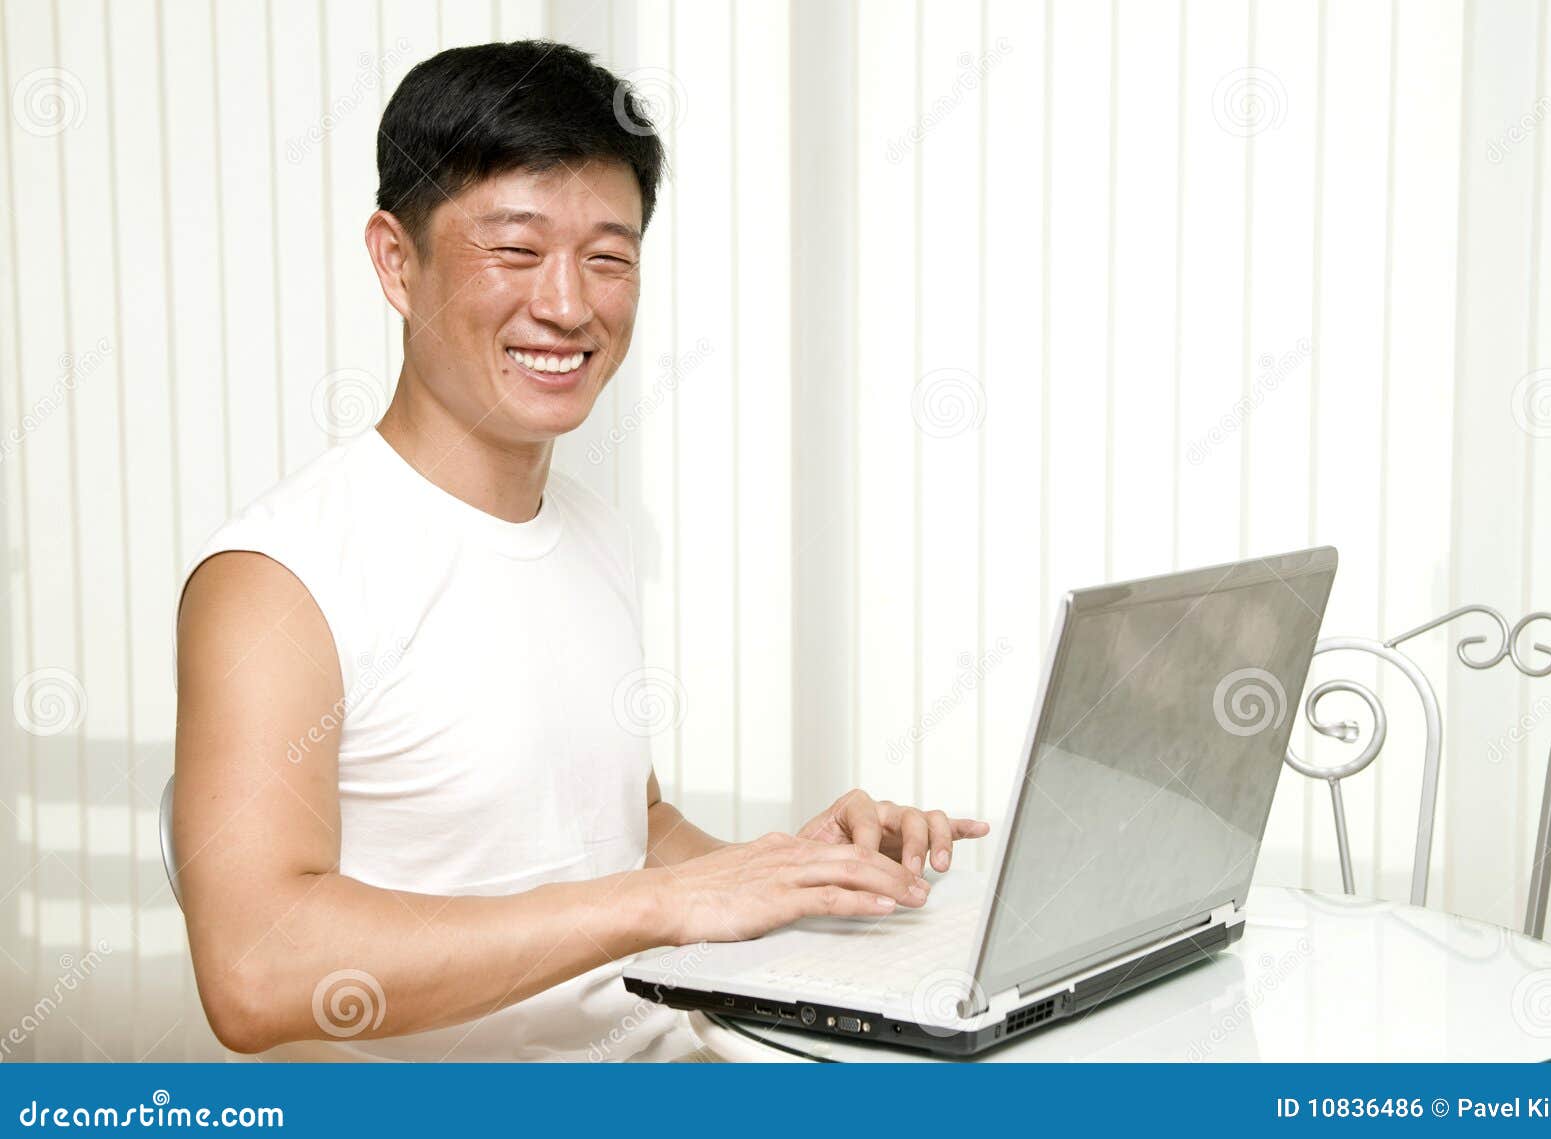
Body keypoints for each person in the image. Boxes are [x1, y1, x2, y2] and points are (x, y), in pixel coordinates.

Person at [172, 39, 988, 1061]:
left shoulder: (594, 529)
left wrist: (791, 872)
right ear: (396, 259)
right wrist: (660, 904)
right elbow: (255, 970)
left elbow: (622, 825)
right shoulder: (276, 582)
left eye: (608, 257)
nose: (567, 304)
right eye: (514, 251)